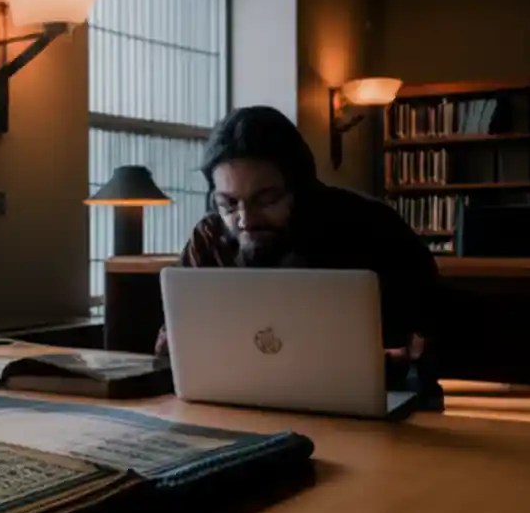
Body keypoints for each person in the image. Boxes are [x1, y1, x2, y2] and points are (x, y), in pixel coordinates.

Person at [154, 105, 443, 408]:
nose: (245, 219)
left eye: (266, 200)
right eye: (228, 204)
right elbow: (170, 344)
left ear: (301, 189)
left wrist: (404, 355)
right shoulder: (210, 237)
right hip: (236, 403)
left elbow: (433, 332)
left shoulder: (371, 228)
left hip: (371, 408)